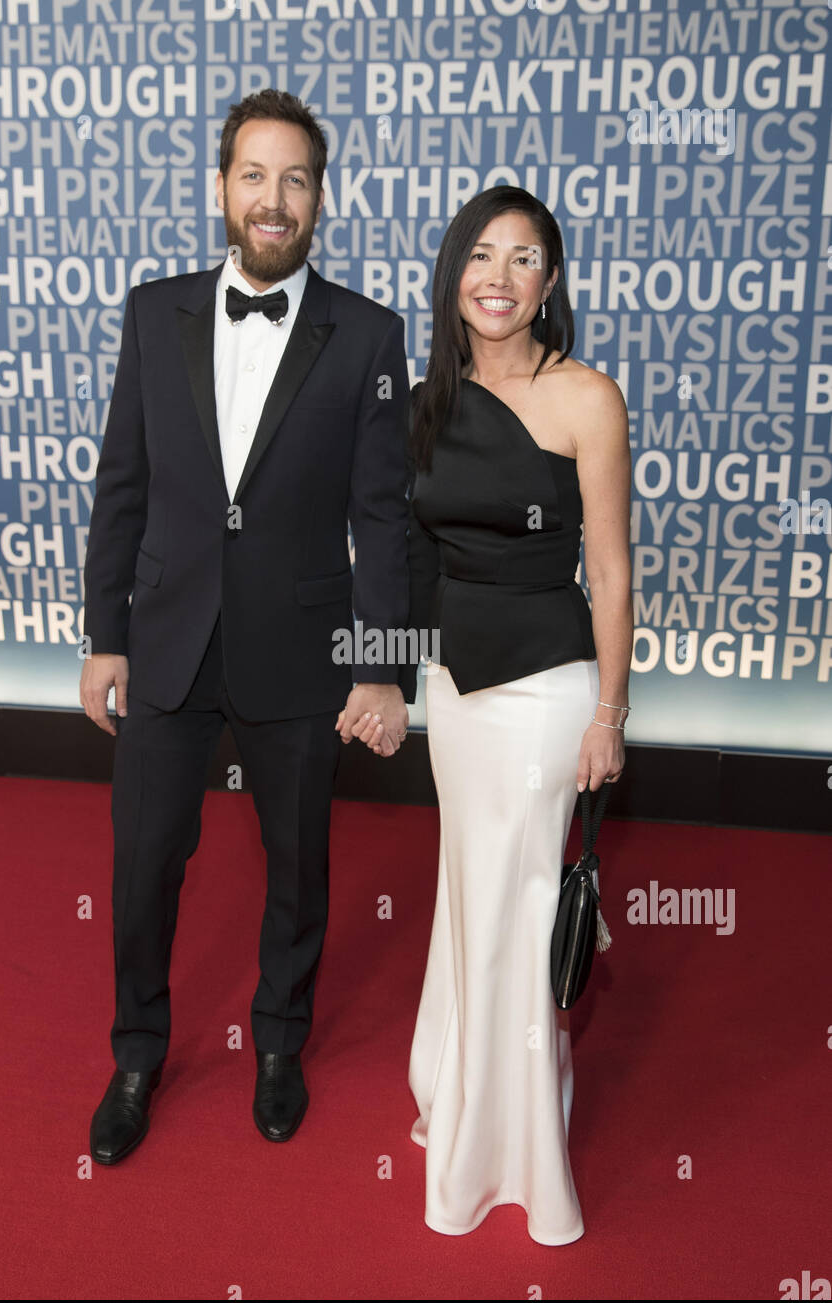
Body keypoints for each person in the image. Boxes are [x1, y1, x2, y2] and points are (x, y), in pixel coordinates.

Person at [80, 89, 415, 1164]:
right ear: (221, 187)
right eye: (255, 176)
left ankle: (279, 1041)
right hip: (168, 639)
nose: (274, 200)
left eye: (297, 179)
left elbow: (382, 515)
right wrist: (104, 635)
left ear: (321, 197)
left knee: (298, 863)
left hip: (304, 651)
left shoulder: (368, 333)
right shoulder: (151, 310)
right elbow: (120, 485)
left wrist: (381, 666)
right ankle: (137, 1052)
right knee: (141, 866)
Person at [404, 187, 633, 1243]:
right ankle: (461, 1099)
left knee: (515, 907)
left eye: (524, 258)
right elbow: (410, 556)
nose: (498, 276)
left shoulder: (587, 395)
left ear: (551, 281)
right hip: (454, 696)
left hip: (546, 696)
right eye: (480, 255)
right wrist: (394, 677)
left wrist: (609, 712)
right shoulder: (423, 402)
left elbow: (610, 565)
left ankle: (512, 1157)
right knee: (469, 892)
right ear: (454, 273)